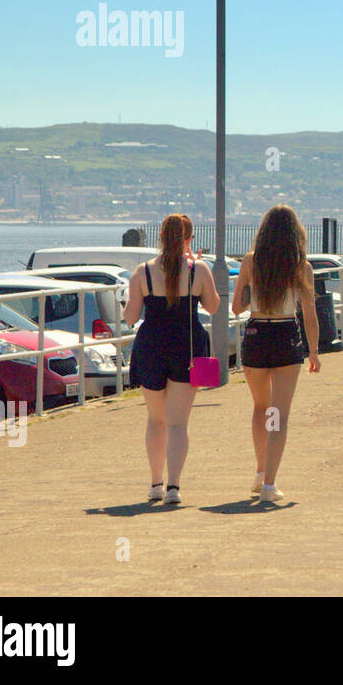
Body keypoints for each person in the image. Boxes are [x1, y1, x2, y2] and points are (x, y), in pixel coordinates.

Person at [125, 213, 219, 505]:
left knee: (156, 420)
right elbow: (214, 307)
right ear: (188, 239)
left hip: (151, 346)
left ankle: (155, 483)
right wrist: (195, 262)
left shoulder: (143, 272)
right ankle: (174, 489)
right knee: (178, 423)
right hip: (187, 346)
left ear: (162, 238)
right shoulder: (198, 270)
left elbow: (130, 317)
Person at [230, 204, 321, 504]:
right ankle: (270, 483)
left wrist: (250, 287)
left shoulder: (250, 262)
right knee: (278, 415)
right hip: (285, 336)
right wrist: (314, 352)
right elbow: (309, 315)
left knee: (261, 408)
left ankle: (259, 472)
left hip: (256, 333)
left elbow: (237, 307)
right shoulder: (301, 267)